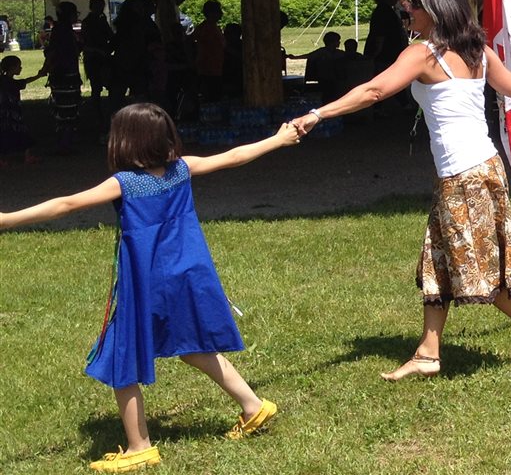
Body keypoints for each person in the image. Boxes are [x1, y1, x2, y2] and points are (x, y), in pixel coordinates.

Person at [291, 0, 511, 378]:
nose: (407, 11)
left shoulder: (423, 53)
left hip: (466, 176)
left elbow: (375, 91)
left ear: (435, 10)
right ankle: (428, 353)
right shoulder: (476, 51)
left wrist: (318, 113)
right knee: (439, 260)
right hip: (479, 170)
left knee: (476, 264)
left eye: (414, 6)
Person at [0, 103, 299, 472]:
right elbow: (235, 156)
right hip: (189, 273)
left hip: (148, 283)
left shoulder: (124, 183)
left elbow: (67, 203)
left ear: (124, 143)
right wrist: (278, 139)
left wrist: (8, 219)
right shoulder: (182, 169)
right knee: (194, 348)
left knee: (120, 357)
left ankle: (139, 446)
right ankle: (254, 407)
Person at [39, 0, 83, 153]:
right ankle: (64, 143)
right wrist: (45, 68)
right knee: (67, 111)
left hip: (65, 74)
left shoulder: (63, 29)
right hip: (64, 75)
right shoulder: (62, 30)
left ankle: (65, 142)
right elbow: (54, 52)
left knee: (66, 110)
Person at [0, 55, 42, 165]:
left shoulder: (3, 80)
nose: (20, 68)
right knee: (21, 133)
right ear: (12, 68)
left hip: (5, 113)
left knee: (5, 135)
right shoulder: (10, 82)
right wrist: (38, 76)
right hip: (11, 113)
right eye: (18, 66)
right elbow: (24, 82)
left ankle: (5, 158)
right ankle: (27, 156)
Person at [81, 0, 114, 116]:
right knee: (97, 86)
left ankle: (101, 111)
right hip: (93, 58)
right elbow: (85, 42)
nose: (100, 8)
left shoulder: (101, 20)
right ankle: (97, 111)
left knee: (106, 84)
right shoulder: (88, 22)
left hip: (101, 57)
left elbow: (110, 36)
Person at [364, 0, 407, 75]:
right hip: (386, 55)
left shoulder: (385, 10)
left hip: (388, 54)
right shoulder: (383, 12)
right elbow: (380, 34)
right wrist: (376, 52)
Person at [192, 0, 226, 103]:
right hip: (208, 68)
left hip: (216, 67)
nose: (221, 13)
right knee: (211, 98)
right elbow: (189, 42)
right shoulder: (205, 28)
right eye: (218, 11)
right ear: (211, 13)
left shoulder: (213, 27)